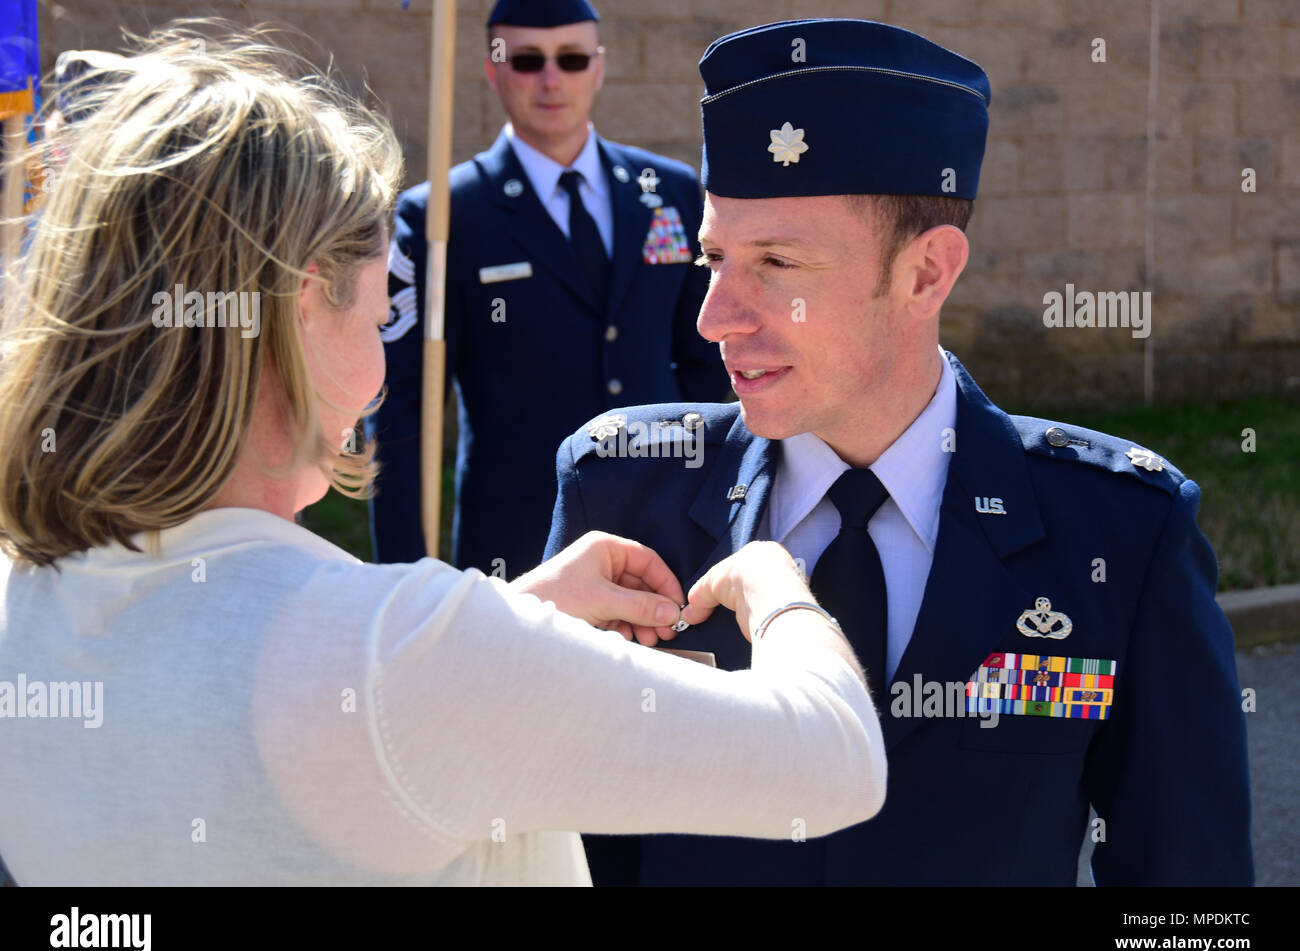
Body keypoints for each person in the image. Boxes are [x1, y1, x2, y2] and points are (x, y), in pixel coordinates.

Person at [0, 24, 887, 886]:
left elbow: (300, 684)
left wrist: (505, 618)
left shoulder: (24, 602)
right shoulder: (402, 653)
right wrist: (773, 583)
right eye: (379, 305)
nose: (386, 349)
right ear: (304, 304)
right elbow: (834, 759)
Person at [547, 18, 1254, 885]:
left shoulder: (1118, 534)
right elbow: (566, 841)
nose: (712, 316)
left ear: (927, 274)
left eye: (776, 262)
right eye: (714, 256)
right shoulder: (621, 495)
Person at [367, 0, 729, 578]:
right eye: (527, 59)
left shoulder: (668, 192)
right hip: (519, 543)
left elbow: (710, 372)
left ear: (600, 66)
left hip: (664, 526)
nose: (552, 78)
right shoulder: (444, 218)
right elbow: (401, 415)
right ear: (492, 69)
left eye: (572, 58)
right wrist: (405, 578)